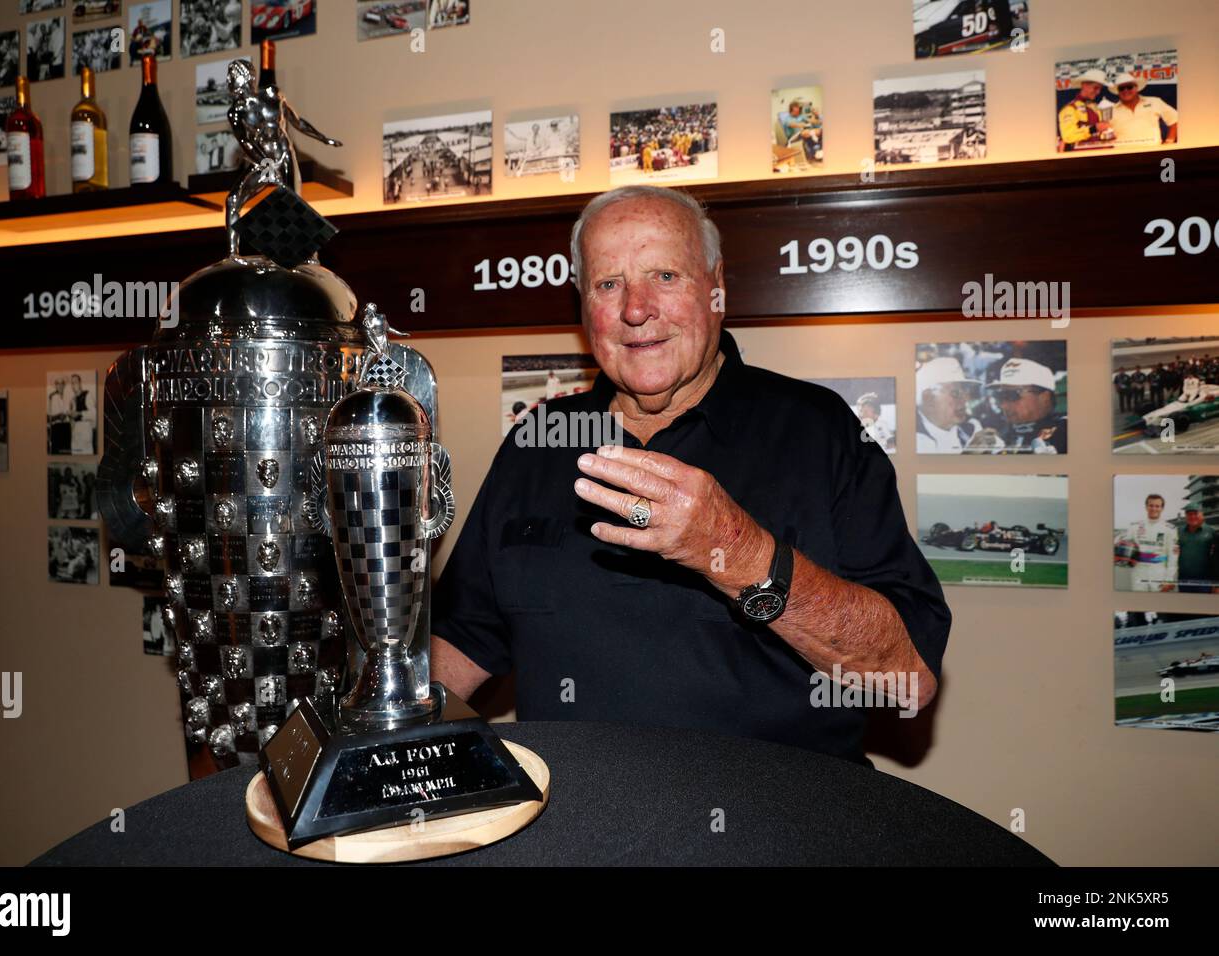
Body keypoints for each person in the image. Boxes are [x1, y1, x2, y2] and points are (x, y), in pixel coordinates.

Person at [431, 185, 950, 765]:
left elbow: (908, 679)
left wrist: (739, 553)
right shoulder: (538, 439)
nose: (636, 309)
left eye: (665, 276)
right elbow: (462, 641)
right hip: (577, 813)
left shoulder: (818, 429)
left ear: (715, 285)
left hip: (779, 814)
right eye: (608, 285)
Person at [984, 357, 1067, 453]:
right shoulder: (999, 438)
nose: (1003, 405)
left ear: (1045, 398)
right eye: (1000, 395)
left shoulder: (1067, 434)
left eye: (1012, 395)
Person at [915, 357, 984, 452]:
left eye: (964, 392)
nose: (965, 399)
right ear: (929, 398)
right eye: (955, 393)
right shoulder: (908, 440)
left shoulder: (972, 430)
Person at [1117, 494, 1179, 592]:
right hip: (1139, 571)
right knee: (1139, 600)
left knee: (1158, 601)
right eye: (1151, 505)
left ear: (1162, 508)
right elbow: (1121, 544)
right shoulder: (1134, 527)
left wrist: (1169, 579)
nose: (1154, 509)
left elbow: (1173, 556)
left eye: (1157, 506)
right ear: (1146, 507)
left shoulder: (1170, 529)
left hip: (1159, 571)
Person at [1108, 73, 1177, 147]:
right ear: (1118, 91)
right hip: (1121, 153)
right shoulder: (1109, 110)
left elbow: (1175, 120)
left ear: (1136, 88)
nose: (1125, 90)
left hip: (1152, 151)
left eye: (1129, 87)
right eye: (1121, 88)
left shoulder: (1154, 101)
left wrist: (1169, 142)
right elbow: (1103, 134)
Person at [1058, 69, 1114, 151]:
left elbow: (1101, 132)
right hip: (1081, 156)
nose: (1098, 92)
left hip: (1100, 153)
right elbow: (1068, 136)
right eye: (1095, 88)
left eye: (1100, 89)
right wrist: (1093, 129)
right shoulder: (1070, 109)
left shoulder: (1095, 107)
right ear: (1084, 85)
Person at [1177, 501, 1217, 593]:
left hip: (1204, 580)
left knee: (1202, 602)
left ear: (1202, 514)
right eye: (1189, 514)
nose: (1192, 516)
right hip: (1183, 579)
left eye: (1195, 513)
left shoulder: (1211, 532)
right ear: (1185, 516)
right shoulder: (1179, 531)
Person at [47, 377, 72, 454]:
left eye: (62, 383)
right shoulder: (51, 397)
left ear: (64, 385)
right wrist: (58, 416)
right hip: (56, 428)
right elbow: (47, 418)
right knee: (56, 452)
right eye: (58, 383)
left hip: (67, 427)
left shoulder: (68, 398)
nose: (60, 385)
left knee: (66, 452)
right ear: (55, 385)